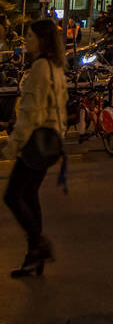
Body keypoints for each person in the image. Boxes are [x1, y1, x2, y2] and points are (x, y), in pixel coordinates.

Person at [1, 19, 68, 277]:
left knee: (12, 196)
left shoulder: (40, 68)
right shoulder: (55, 67)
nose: (26, 40)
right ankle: (34, 257)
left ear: (41, 40)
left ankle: (39, 245)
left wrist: (11, 147)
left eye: (29, 36)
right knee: (29, 195)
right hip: (50, 142)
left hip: (35, 143)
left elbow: (29, 114)